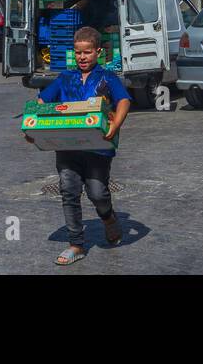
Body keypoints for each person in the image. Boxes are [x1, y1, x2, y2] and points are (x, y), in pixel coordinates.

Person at [26, 26, 131, 265]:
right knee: (68, 190)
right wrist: (32, 127)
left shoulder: (107, 78)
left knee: (98, 193)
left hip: (98, 149)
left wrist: (116, 125)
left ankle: (108, 217)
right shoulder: (65, 78)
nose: (82, 57)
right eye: (78, 52)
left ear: (98, 53)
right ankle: (76, 244)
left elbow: (123, 100)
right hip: (67, 148)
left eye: (87, 52)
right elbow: (42, 101)